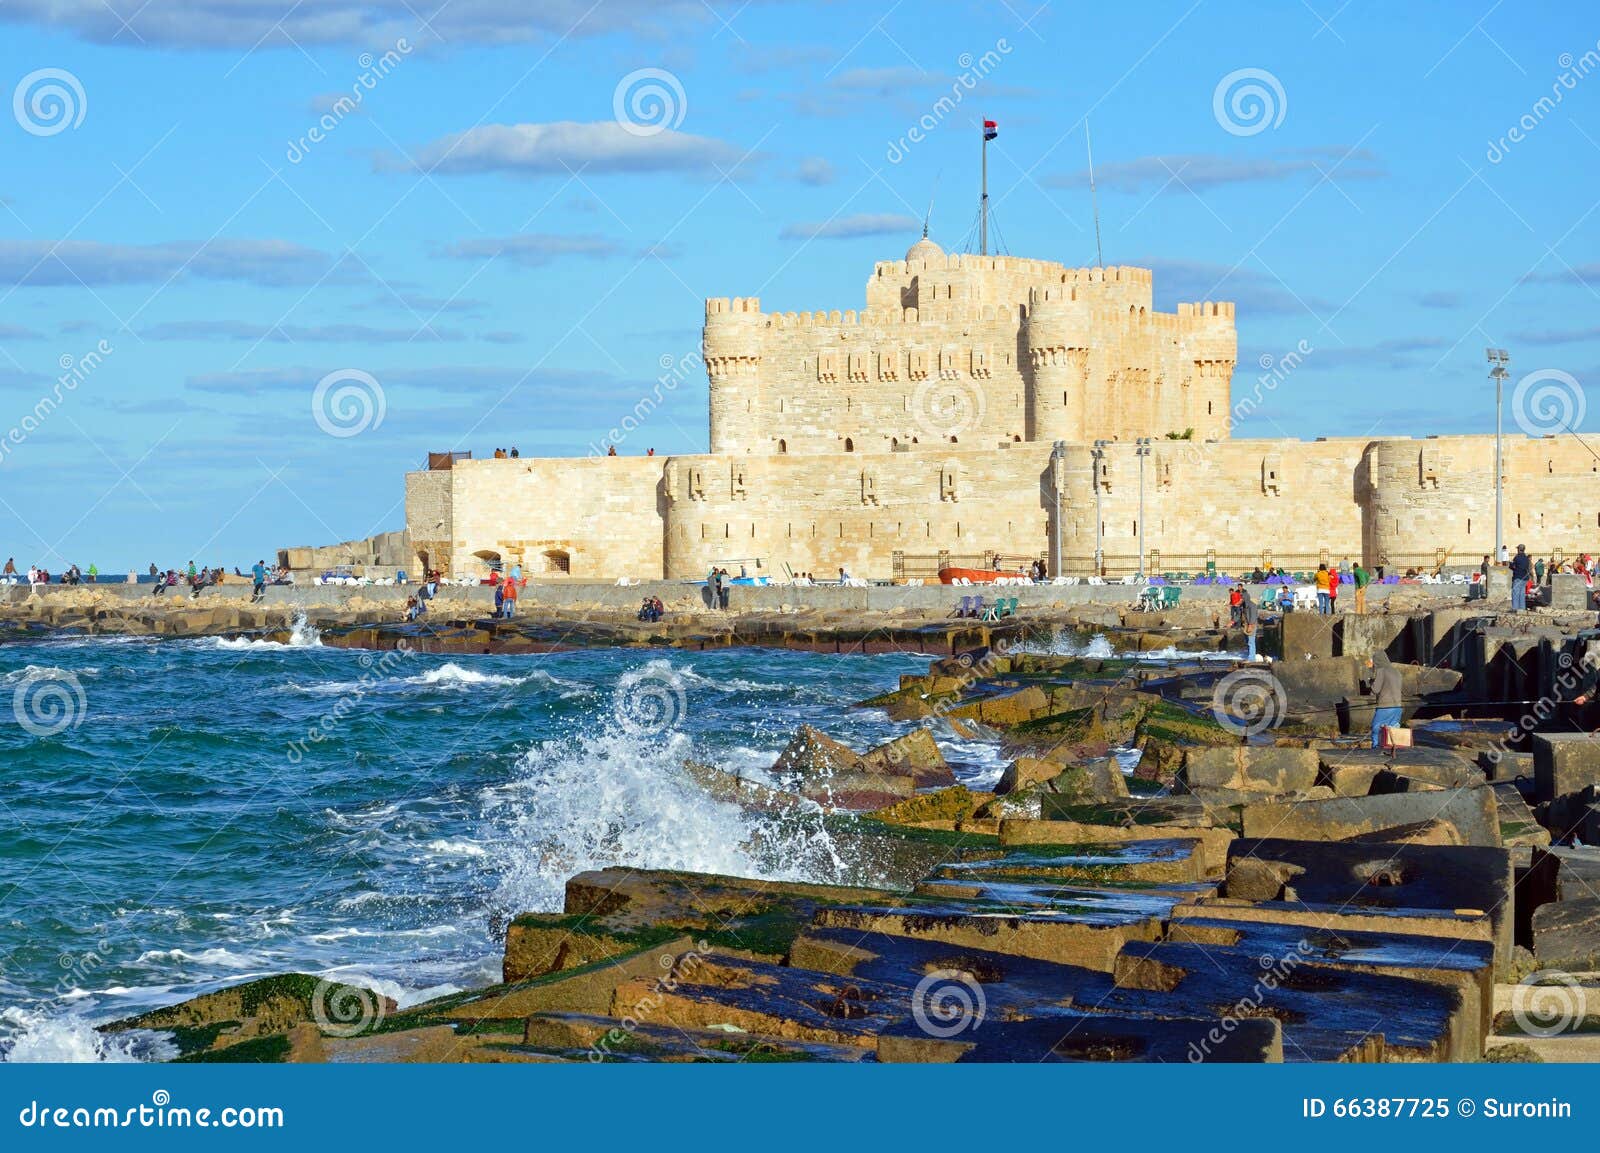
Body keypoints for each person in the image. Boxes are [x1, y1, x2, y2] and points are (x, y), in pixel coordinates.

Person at [1365, 653, 1404, 749]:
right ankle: (1391, 750)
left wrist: (1371, 682)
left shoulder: (1381, 671)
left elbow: (1375, 689)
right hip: (1398, 707)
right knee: (1392, 731)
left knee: (1376, 729)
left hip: (1385, 707)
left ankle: (1375, 748)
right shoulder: (1397, 672)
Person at [1240, 586, 1260, 661]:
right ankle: (1249, 656)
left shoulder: (1252, 605)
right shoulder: (1244, 606)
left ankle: (1252, 658)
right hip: (1246, 625)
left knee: (1251, 642)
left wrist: (1250, 625)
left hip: (1251, 626)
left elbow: (1253, 616)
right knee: (1248, 642)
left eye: (1242, 598)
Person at [1510, 544, 1531, 611]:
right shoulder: (1526, 558)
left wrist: (1510, 565)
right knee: (1522, 593)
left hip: (1518, 577)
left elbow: (1513, 567)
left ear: (1519, 549)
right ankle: (1522, 608)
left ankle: (1515, 608)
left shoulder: (1517, 557)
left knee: (1515, 592)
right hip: (1525, 578)